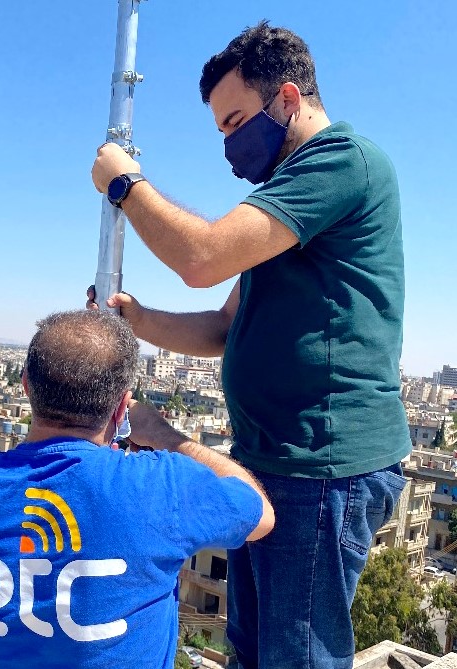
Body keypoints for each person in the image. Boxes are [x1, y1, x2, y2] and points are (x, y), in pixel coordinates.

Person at [88, 20, 411, 669]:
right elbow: (221, 325)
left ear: (288, 99)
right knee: (254, 653)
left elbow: (202, 257)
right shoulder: (286, 206)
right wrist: (136, 317)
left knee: (296, 659)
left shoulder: (339, 162)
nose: (230, 144)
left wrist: (123, 183)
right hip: (273, 461)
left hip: (322, 463)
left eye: (236, 121)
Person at [0, 310, 274, 669]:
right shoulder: (158, 487)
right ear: (121, 407)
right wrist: (164, 436)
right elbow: (260, 512)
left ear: (25, 386)